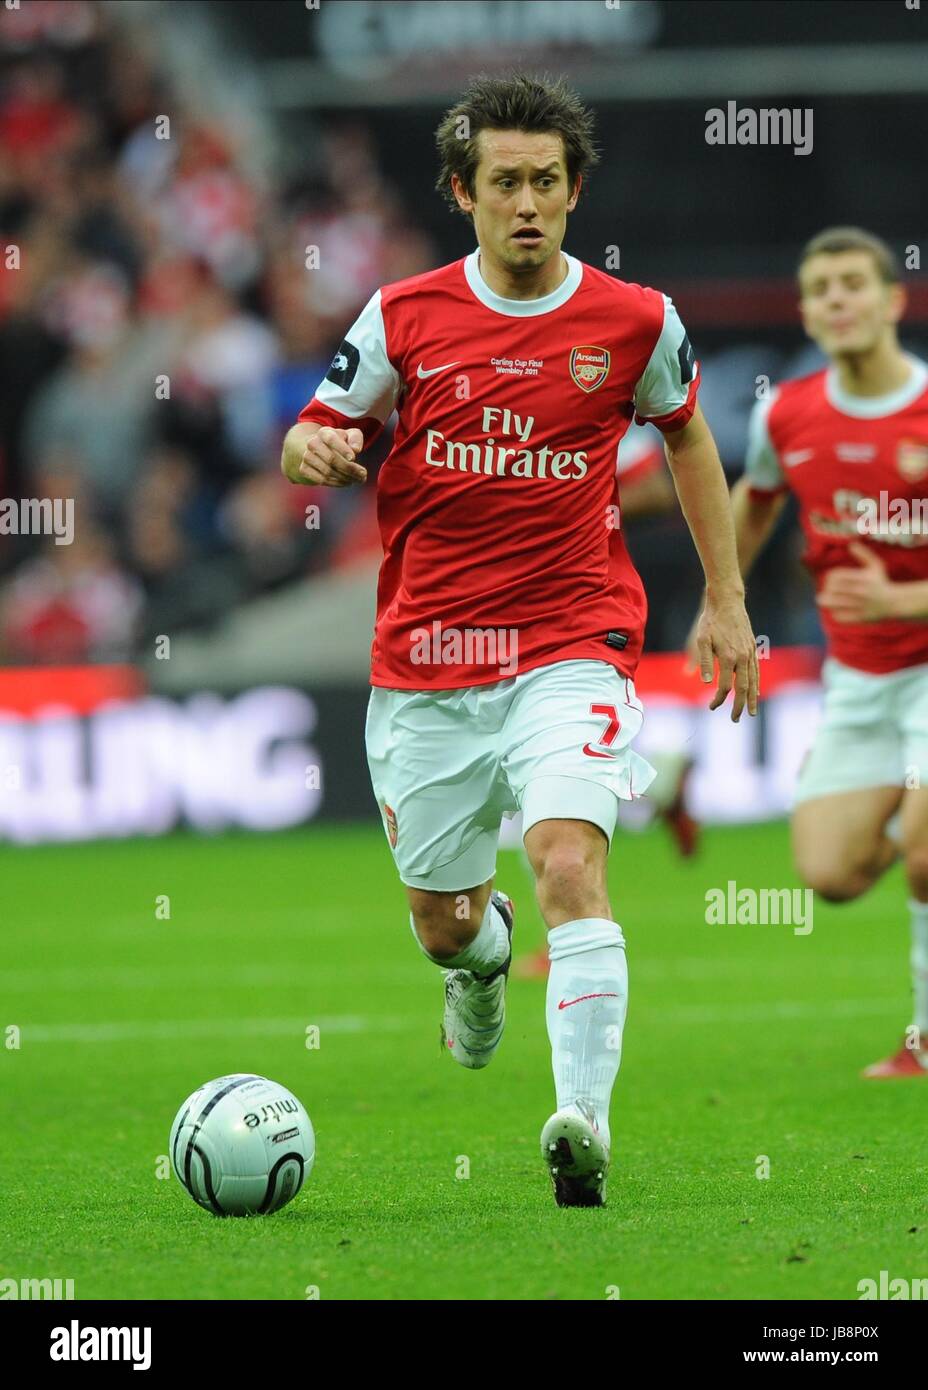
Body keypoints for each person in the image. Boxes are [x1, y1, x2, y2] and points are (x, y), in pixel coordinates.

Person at [281, 73, 757, 1204]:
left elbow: (688, 441)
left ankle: (581, 1125)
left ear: (575, 188)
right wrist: (312, 453)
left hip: (570, 641)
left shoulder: (635, 319)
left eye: (548, 181)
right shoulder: (404, 315)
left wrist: (724, 596)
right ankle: (480, 962)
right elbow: (318, 425)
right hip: (425, 669)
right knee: (445, 930)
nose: (529, 202)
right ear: (464, 193)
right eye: (505, 183)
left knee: (566, 861)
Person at [687, 226, 928, 1079]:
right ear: (806, 312)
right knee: (828, 872)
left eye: (853, 283)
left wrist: (907, 597)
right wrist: (726, 596)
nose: (837, 298)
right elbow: (756, 499)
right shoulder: (788, 413)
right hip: (859, 677)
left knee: (927, 849)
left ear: (893, 301)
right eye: (820, 287)